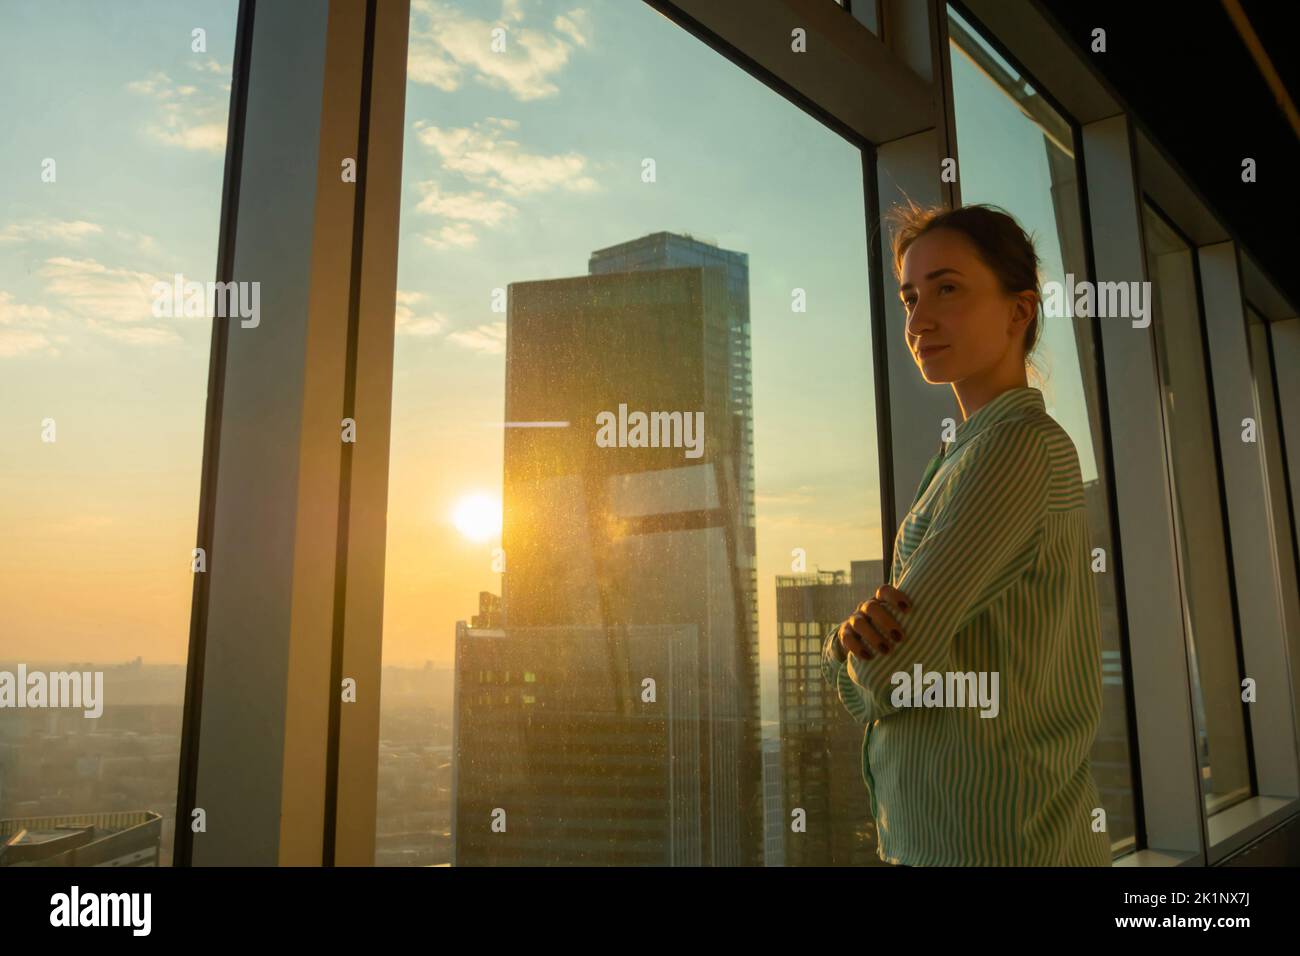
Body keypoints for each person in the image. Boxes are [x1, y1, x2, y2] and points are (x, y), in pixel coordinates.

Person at [822, 202, 1111, 866]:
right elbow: (901, 661)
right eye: (910, 297)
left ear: (1019, 311)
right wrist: (860, 647)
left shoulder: (1015, 450)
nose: (919, 320)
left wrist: (847, 648)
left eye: (947, 289)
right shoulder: (966, 457)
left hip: (999, 843)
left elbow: (892, 664)